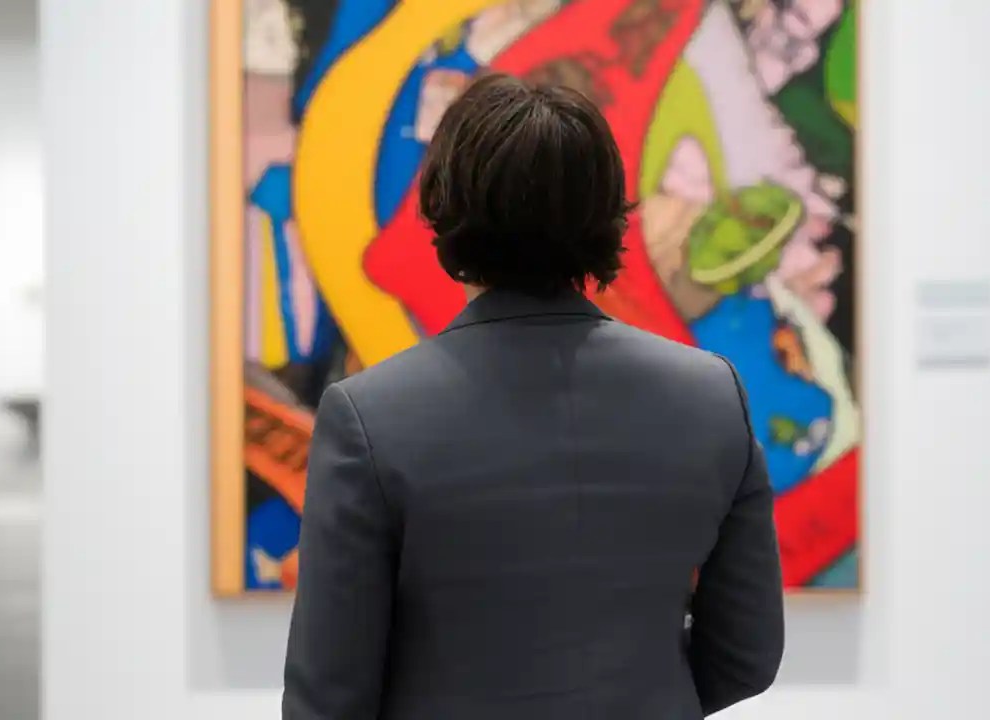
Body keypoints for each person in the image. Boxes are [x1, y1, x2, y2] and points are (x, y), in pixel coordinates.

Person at [282, 73, 784, 720]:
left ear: (443, 205)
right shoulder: (711, 395)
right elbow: (747, 654)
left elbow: (329, 696)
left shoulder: (369, 415)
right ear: (607, 209)